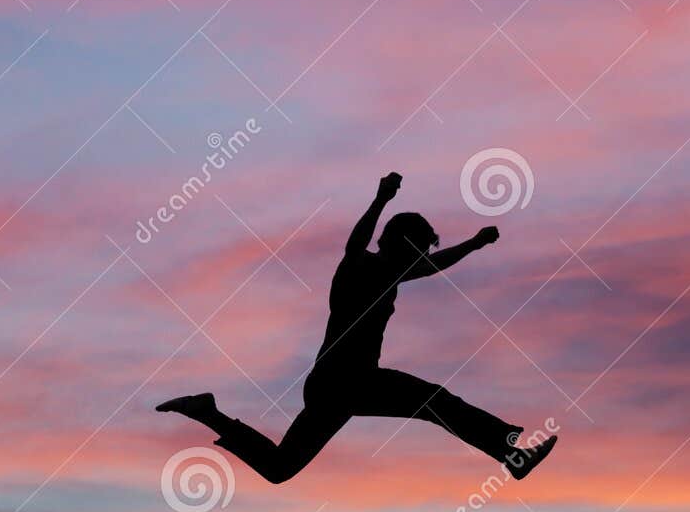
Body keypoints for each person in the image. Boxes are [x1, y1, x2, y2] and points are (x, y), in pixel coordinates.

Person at [156, 172, 557, 483]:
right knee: (435, 401)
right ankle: (509, 452)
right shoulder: (360, 265)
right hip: (346, 380)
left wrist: (472, 244)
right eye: (416, 247)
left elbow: (433, 266)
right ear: (398, 242)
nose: (419, 257)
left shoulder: (391, 273)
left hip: (336, 386)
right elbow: (357, 243)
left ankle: (208, 412)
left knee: (280, 468)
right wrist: (381, 198)